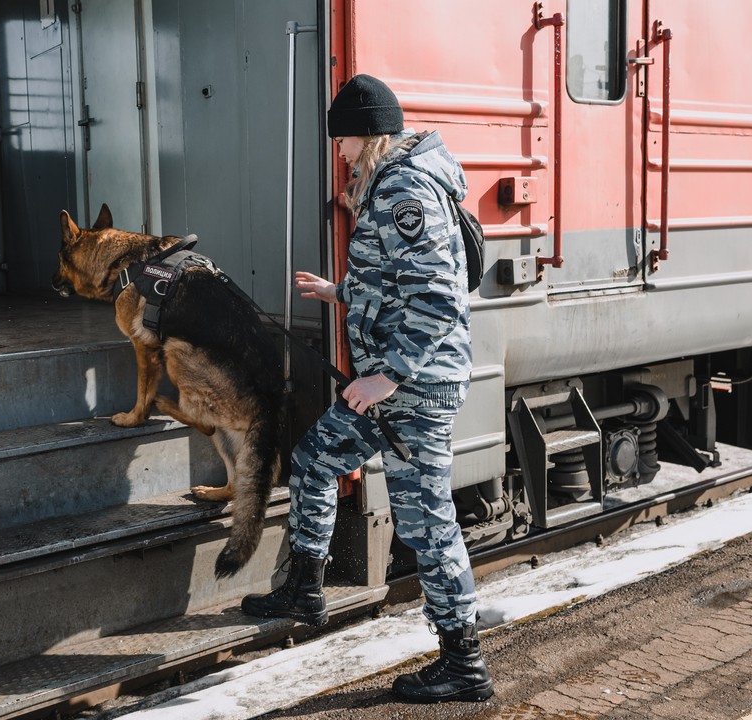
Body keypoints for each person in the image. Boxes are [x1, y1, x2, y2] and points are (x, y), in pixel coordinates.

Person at [240, 74, 492, 703]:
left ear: (371, 134)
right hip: (389, 390)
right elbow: (393, 280)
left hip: (412, 391)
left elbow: (436, 297)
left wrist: (387, 375)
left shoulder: (405, 188)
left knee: (428, 525)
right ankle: (305, 588)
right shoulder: (391, 182)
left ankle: (465, 664)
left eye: (346, 141)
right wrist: (340, 291)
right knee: (313, 460)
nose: (343, 153)